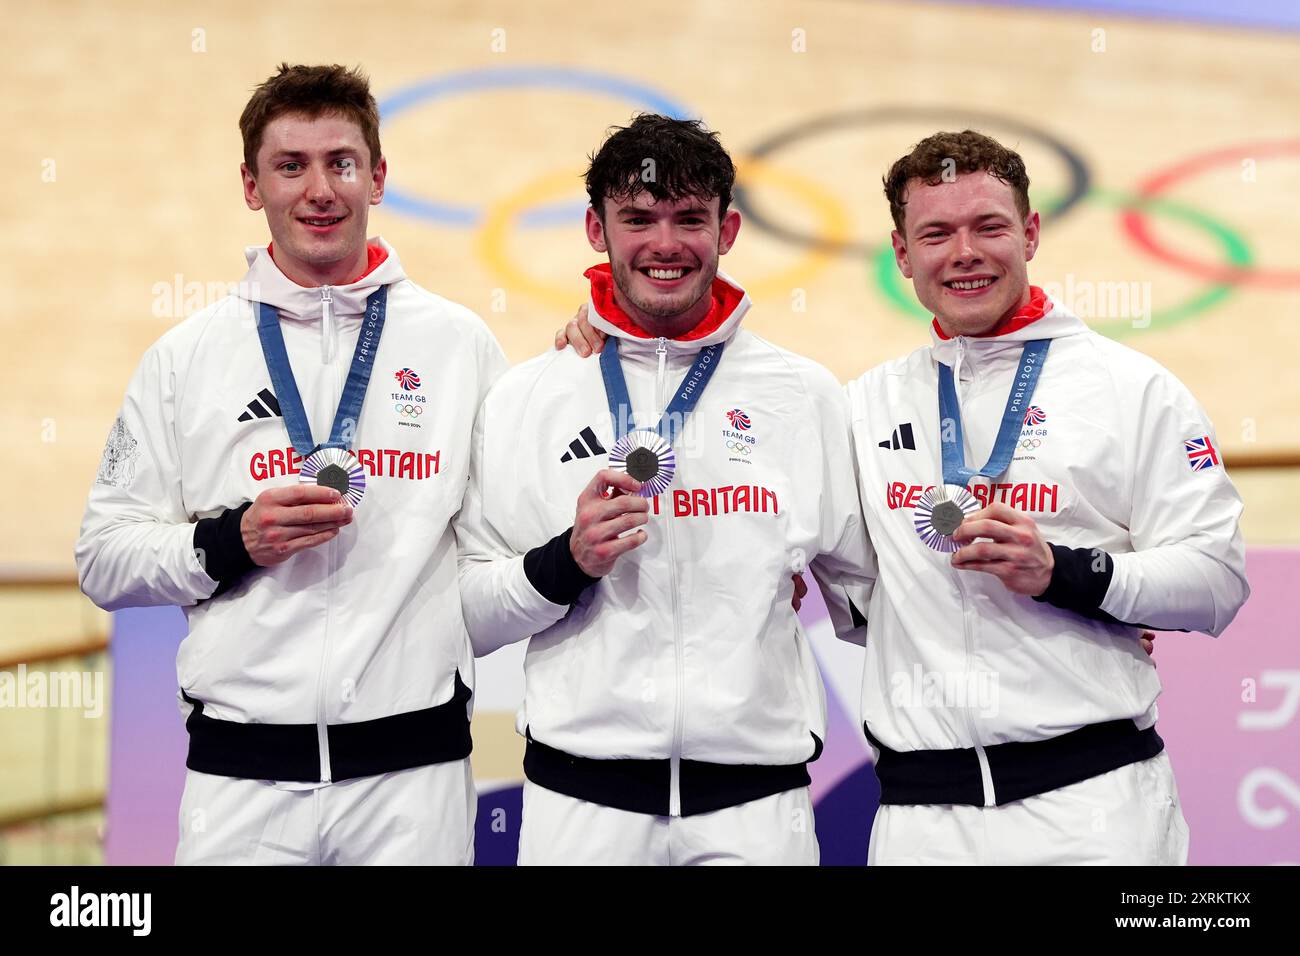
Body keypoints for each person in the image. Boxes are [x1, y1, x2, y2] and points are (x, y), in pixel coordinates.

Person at [75, 63, 505, 865]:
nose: (319, 190)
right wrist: (233, 541)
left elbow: (514, 538)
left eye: (341, 163)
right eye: (291, 165)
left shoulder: (460, 346)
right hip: (241, 790)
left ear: (378, 176)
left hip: (412, 785)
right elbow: (104, 558)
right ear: (251, 184)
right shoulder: (185, 359)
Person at [454, 114, 874, 865]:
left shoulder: (804, 396)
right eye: (638, 218)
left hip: (756, 809)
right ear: (596, 228)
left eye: (690, 219)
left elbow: (874, 600)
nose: (666, 244)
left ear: (730, 229)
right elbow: (471, 617)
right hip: (578, 810)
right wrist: (566, 561)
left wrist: (1082, 612)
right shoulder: (527, 398)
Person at [842, 129, 1249, 864]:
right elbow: (850, 591)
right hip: (921, 823)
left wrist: (1070, 574)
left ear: (1030, 233)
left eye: (988, 226)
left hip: (1093, 811)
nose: (964, 252)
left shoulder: (1134, 391)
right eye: (936, 233)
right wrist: (593, 346)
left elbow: (1217, 583)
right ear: (902, 254)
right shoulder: (863, 406)